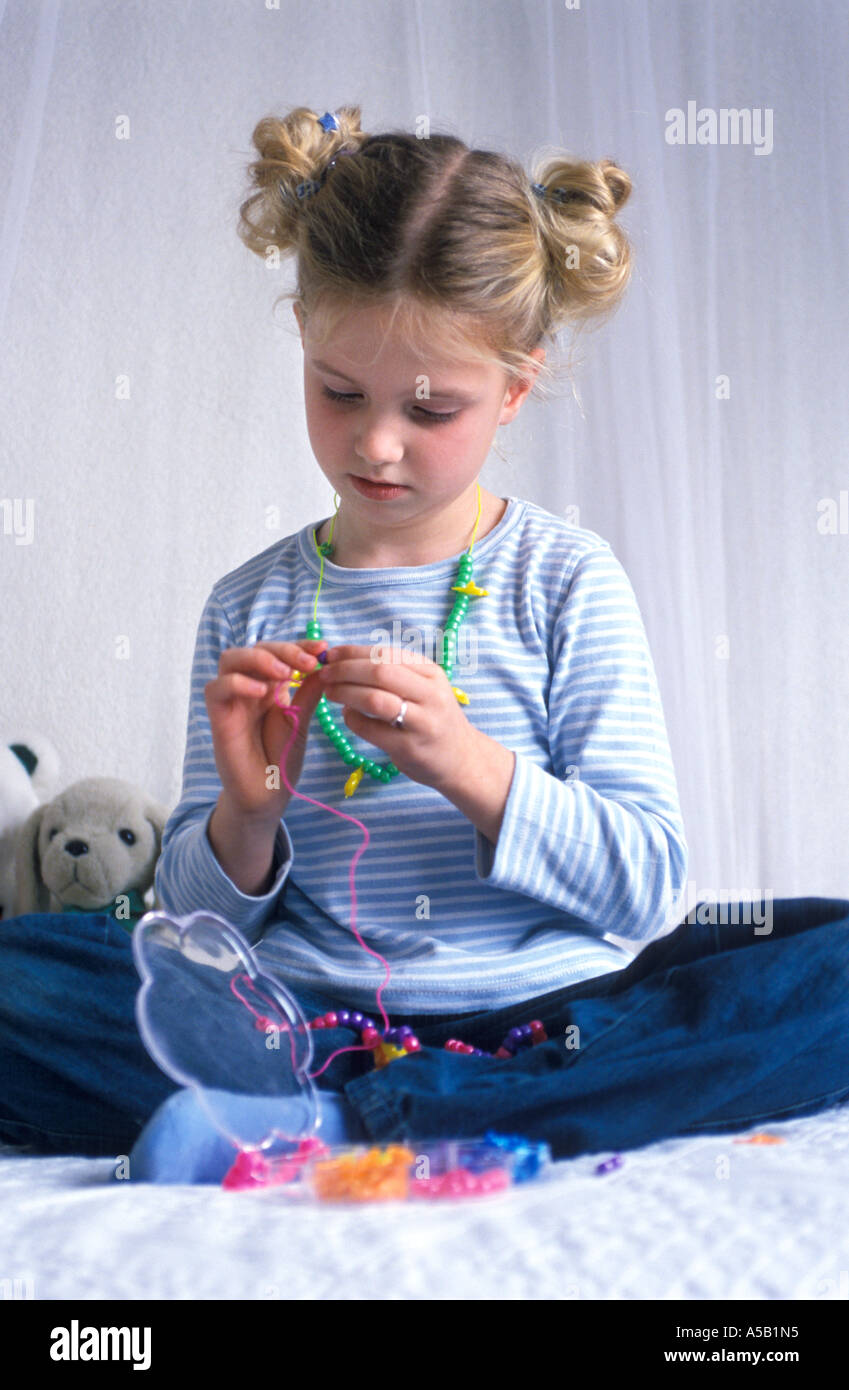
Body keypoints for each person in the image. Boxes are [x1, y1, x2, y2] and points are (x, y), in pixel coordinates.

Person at [2, 109, 847, 1183]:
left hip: (558, 1020)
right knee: (21, 976)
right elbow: (195, 923)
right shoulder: (247, 602)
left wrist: (472, 766)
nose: (376, 442)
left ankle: (350, 1120)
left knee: (829, 966)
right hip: (295, 1018)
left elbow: (646, 885)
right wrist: (245, 816)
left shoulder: (566, 580)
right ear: (303, 335)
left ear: (514, 391)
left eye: (431, 406)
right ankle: (348, 1094)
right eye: (339, 390)